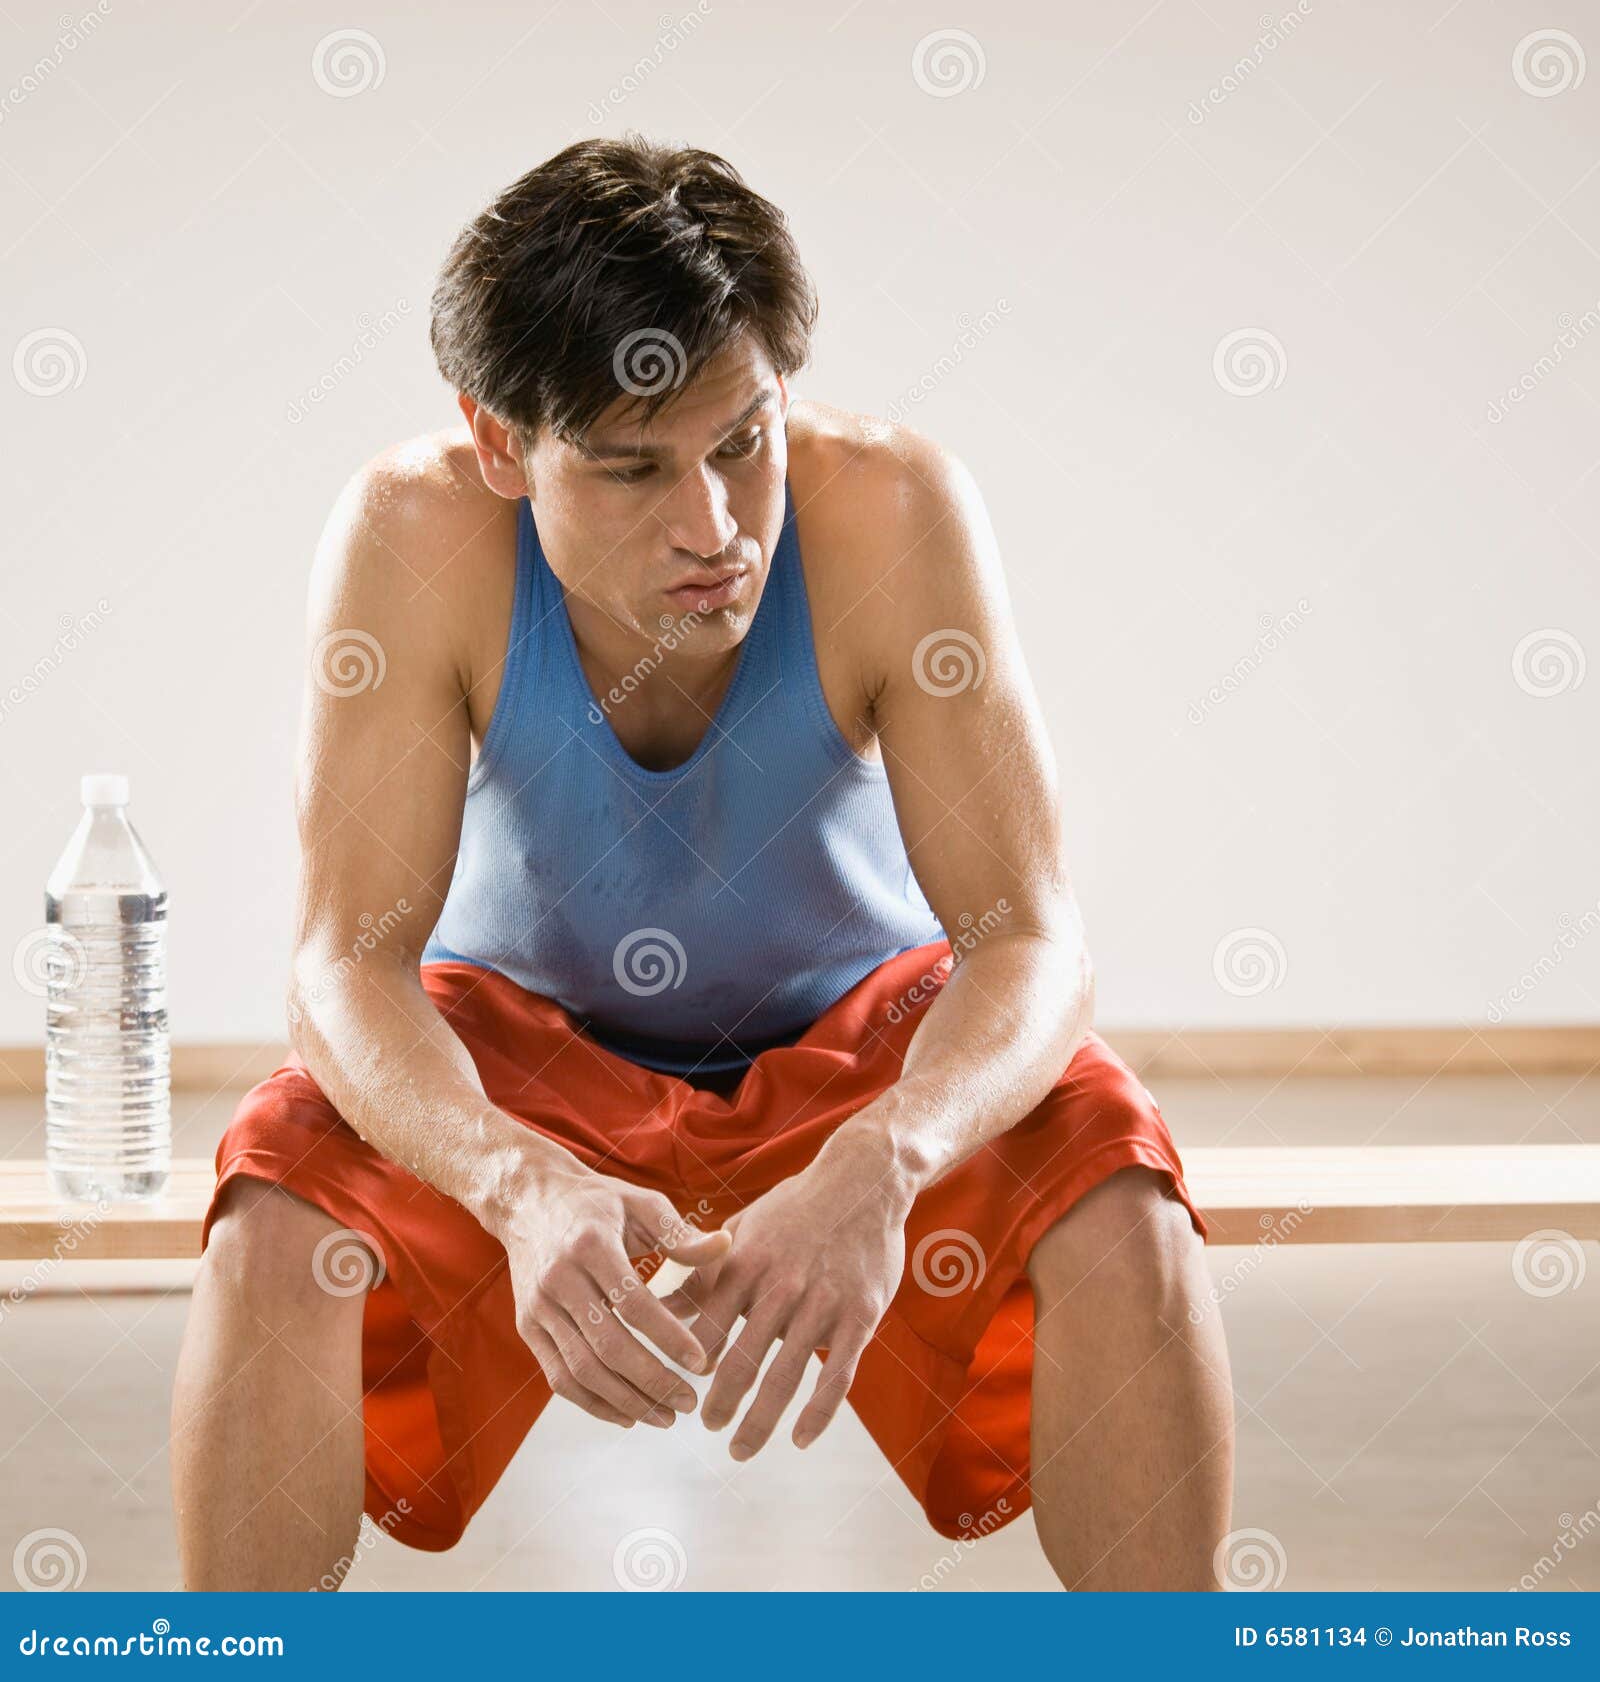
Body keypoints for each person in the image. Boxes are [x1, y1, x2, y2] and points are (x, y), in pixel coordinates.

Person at [170, 133, 1234, 1592]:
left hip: (855, 1038)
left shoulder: (895, 507)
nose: (716, 529)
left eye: (744, 442)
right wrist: (513, 1181)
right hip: (527, 1047)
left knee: (1119, 1184)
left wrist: (888, 1155)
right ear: (500, 443)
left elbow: (1033, 943)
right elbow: (345, 963)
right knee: (277, 1200)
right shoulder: (413, 530)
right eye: (633, 469)